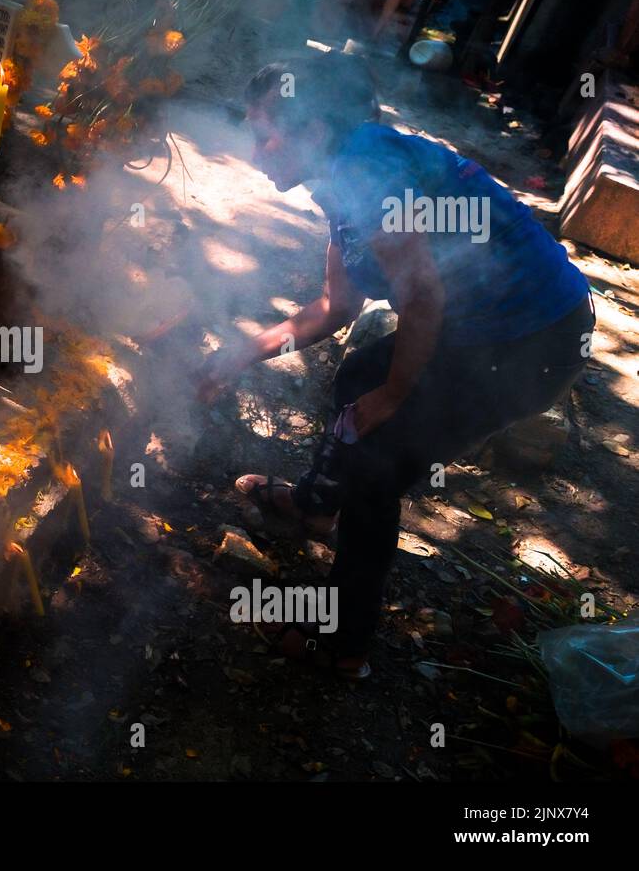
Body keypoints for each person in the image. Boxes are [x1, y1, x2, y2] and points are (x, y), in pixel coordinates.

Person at [195, 52, 593, 680]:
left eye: (263, 133)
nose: (254, 151)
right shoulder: (340, 173)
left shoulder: (367, 171)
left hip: (532, 344)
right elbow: (335, 306)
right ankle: (314, 505)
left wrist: (396, 395)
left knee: (379, 457)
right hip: (486, 332)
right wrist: (244, 352)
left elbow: (423, 298)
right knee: (357, 380)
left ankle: (342, 645)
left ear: (313, 131)